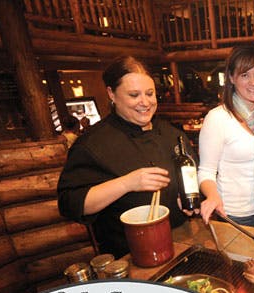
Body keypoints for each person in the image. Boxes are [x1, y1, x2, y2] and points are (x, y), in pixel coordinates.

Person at [57, 55, 197, 258]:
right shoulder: (92, 144)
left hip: (183, 243)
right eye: (134, 95)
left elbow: (192, 175)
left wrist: (188, 198)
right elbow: (70, 203)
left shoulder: (172, 134)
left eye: (150, 94)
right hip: (130, 255)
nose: (145, 102)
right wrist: (127, 183)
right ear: (111, 94)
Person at [198, 45, 254, 231]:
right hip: (234, 214)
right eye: (245, 75)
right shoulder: (217, 118)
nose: (253, 82)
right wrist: (213, 196)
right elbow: (206, 171)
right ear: (231, 77)